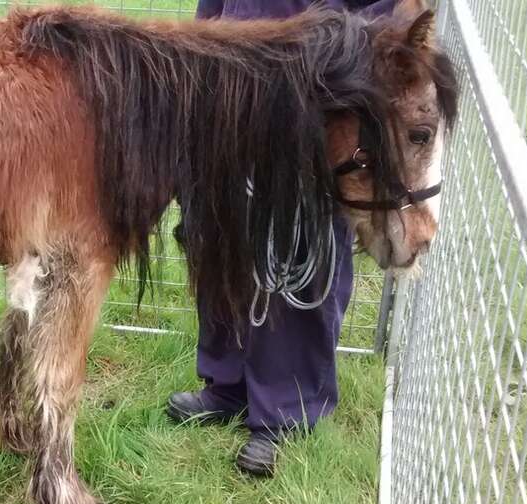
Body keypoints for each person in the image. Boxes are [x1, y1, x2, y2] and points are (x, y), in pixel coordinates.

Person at [168, 0, 399, 477]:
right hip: (232, 74)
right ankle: (227, 385)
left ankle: (285, 410)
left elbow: (382, 16)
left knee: (295, 254)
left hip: (312, 87)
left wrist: (328, 58)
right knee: (223, 240)